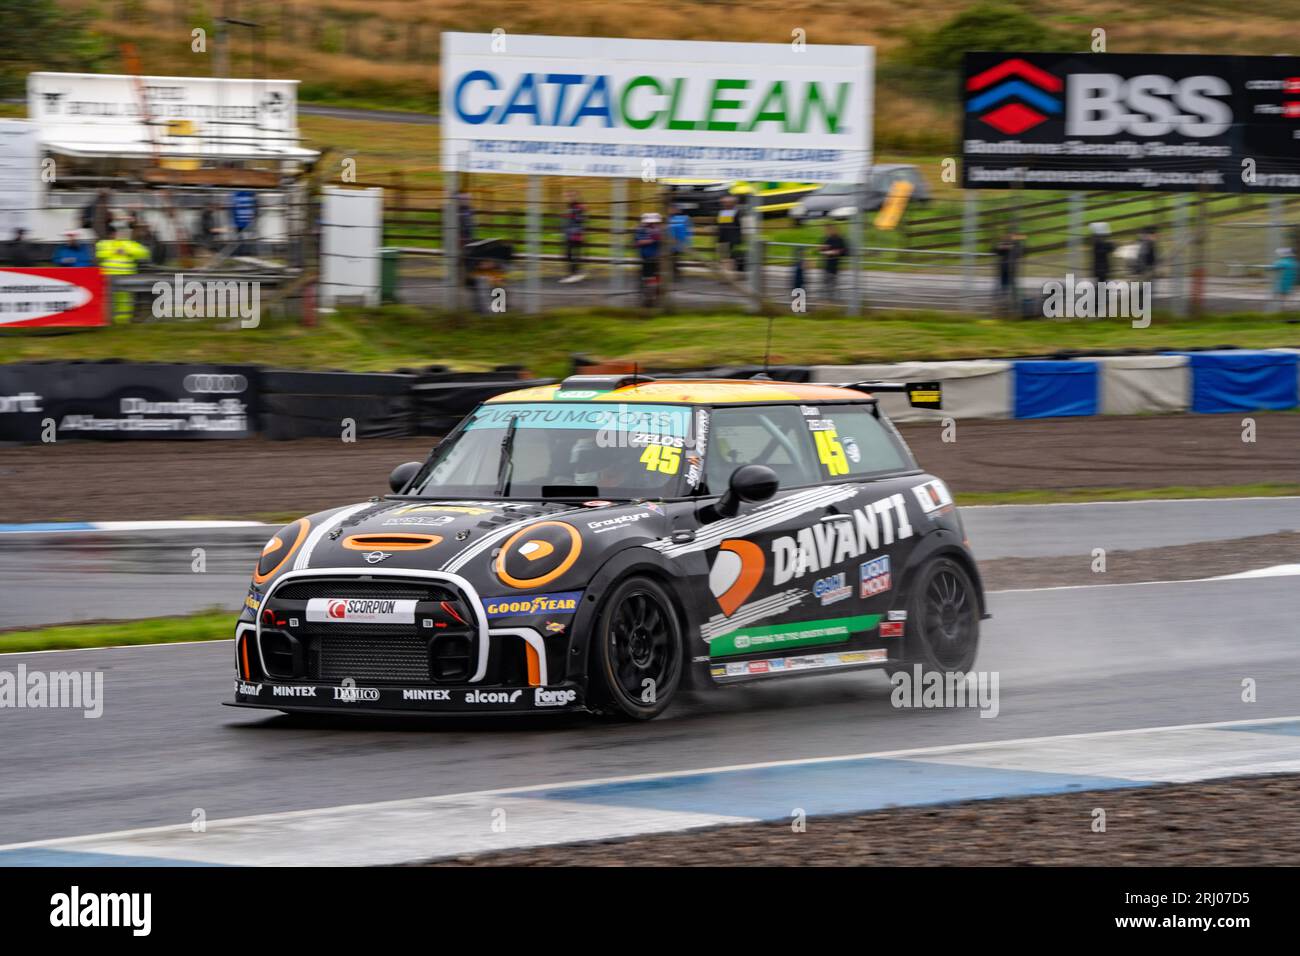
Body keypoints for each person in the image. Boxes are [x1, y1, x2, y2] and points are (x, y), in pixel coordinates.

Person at [95, 225, 152, 323]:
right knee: (108, 300)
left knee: (125, 301)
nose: (116, 235)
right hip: (109, 277)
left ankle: (122, 322)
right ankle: (106, 320)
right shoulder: (104, 243)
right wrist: (113, 252)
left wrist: (128, 251)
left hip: (126, 277)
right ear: (110, 234)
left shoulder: (129, 244)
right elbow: (98, 254)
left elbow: (144, 253)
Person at [634, 212, 663, 306]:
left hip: (658, 257)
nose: (653, 225)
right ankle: (649, 297)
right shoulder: (641, 230)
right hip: (646, 257)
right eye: (651, 223)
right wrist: (652, 239)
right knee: (648, 277)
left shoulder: (659, 230)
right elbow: (639, 242)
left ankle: (656, 295)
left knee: (657, 276)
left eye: (655, 223)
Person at [993, 231, 1025, 315]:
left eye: (1012, 235)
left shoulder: (1017, 245)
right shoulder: (1004, 243)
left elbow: (1019, 253)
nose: (1010, 237)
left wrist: (1010, 247)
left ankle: (1013, 303)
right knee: (1004, 286)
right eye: (1009, 235)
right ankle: (1004, 304)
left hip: (1011, 269)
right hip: (1003, 268)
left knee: (1012, 286)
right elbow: (996, 251)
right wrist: (1002, 246)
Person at [560, 193, 587, 283]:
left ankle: (574, 274)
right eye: (567, 197)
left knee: (572, 254)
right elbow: (568, 221)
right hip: (569, 235)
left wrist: (574, 215)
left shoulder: (578, 208)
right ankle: (575, 273)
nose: (567, 199)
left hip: (576, 235)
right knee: (568, 255)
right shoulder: (570, 208)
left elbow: (580, 220)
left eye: (569, 197)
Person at [716, 195, 744, 272]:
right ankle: (724, 269)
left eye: (728, 203)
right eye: (724, 203)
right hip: (723, 238)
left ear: (734, 203)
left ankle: (730, 270)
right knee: (723, 256)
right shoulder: (721, 212)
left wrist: (739, 238)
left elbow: (739, 226)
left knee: (731, 256)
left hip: (732, 239)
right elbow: (720, 224)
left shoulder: (736, 212)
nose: (726, 204)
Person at [820, 223, 848, 300]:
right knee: (826, 282)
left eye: (829, 230)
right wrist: (822, 248)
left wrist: (838, 252)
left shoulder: (840, 239)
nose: (827, 231)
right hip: (826, 264)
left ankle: (833, 298)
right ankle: (827, 298)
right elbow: (821, 251)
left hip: (835, 265)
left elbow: (845, 251)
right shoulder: (826, 238)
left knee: (833, 282)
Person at [668, 205, 692, 279]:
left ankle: (676, 274)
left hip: (680, 241)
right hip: (671, 242)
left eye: (674, 209)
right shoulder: (670, 218)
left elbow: (688, 230)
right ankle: (676, 274)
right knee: (673, 259)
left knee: (675, 258)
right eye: (672, 209)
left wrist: (688, 242)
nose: (673, 211)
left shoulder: (684, 218)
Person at [1269, 247, 1297, 312]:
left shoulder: (1283, 262)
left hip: (1282, 282)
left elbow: (1273, 267)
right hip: (1291, 282)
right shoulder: (1293, 262)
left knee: (1276, 295)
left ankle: (1276, 309)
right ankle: (1286, 309)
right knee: (1286, 296)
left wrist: (1269, 267)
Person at [1091, 221, 1115, 286]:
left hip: (1100, 270)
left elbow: (1110, 248)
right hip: (1101, 270)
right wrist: (1110, 243)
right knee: (1102, 285)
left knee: (1101, 284)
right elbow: (1110, 248)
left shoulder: (1098, 243)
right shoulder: (1099, 244)